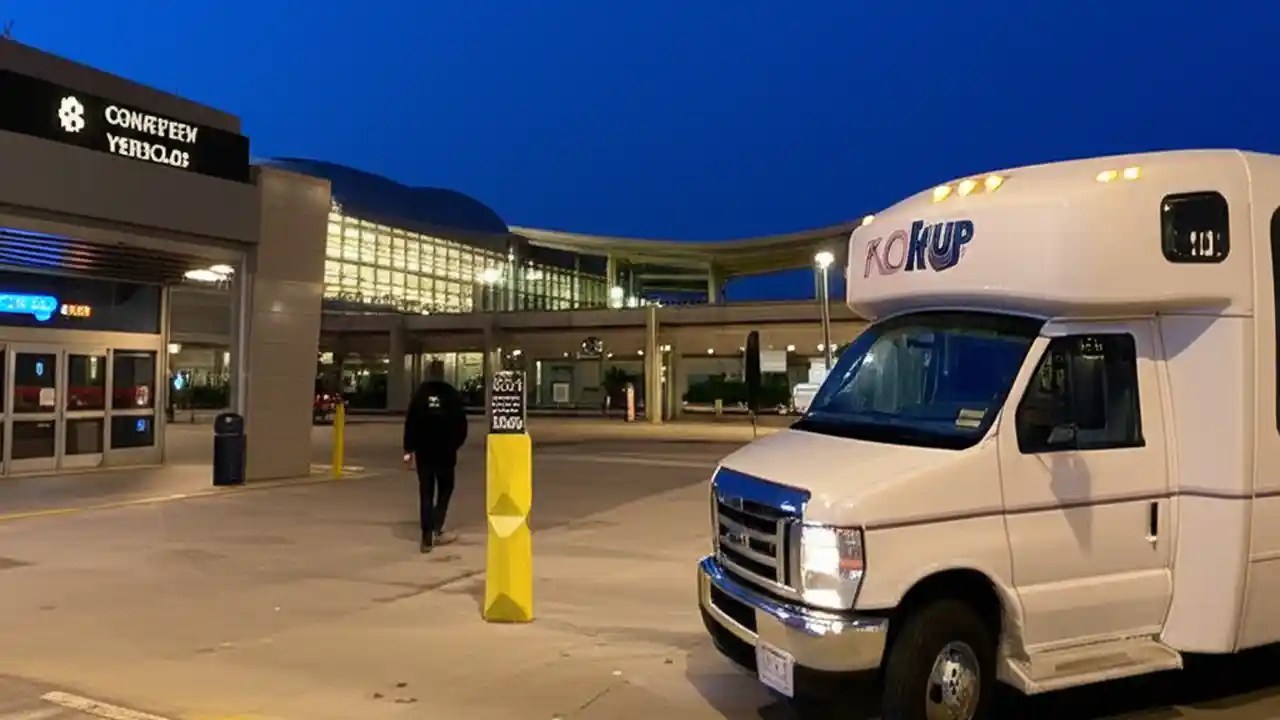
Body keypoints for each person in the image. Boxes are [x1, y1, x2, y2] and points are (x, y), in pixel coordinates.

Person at [402, 379, 469, 553]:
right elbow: (461, 424)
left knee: (426, 491)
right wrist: (454, 444)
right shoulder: (451, 395)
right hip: (445, 452)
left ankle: (427, 535)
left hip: (425, 452)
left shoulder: (420, 396)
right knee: (446, 488)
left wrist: (409, 449)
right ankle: (437, 525)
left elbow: (411, 423)